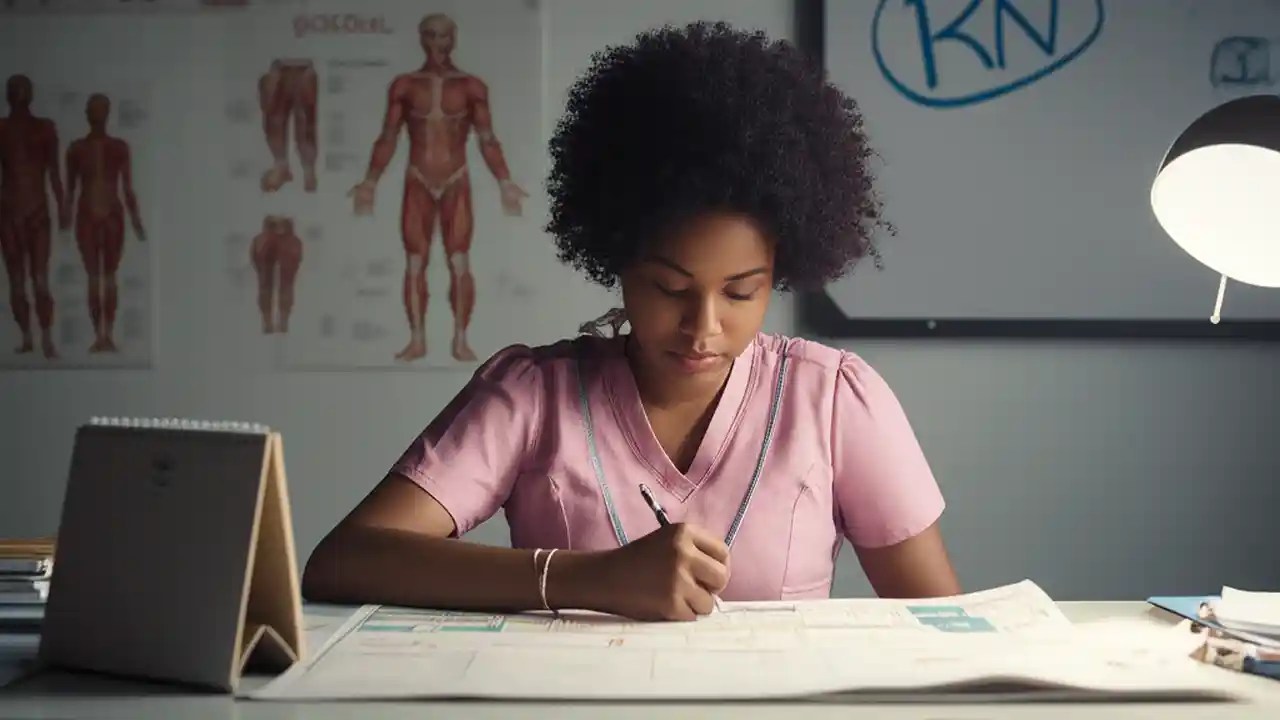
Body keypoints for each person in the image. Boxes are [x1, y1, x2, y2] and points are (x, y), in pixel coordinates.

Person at [305, 22, 961, 622]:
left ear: (780, 271)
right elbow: (343, 562)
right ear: (618, 259)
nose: (702, 326)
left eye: (740, 293)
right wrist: (589, 579)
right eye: (670, 288)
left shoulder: (836, 401)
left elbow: (943, 629)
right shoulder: (533, 396)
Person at [348, 13, 528, 363]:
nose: (437, 43)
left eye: (444, 36)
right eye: (430, 35)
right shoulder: (404, 85)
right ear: (421, 39)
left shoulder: (471, 87)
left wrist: (505, 182)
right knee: (415, 262)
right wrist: (370, 181)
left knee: (459, 261)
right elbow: (388, 136)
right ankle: (417, 340)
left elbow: (487, 139)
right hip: (417, 178)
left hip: (455, 179)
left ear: (454, 39)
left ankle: (460, 340)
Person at [64, 93, 145, 353]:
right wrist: (65, 215)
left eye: (101, 109)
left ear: (107, 113)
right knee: (93, 276)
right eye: (92, 108)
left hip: (112, 213)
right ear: (86, 113)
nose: (96, 113)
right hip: (87, 213)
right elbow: (70, 188)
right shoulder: (76, 148)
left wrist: (136, 220)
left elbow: (127, 188)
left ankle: (107, 334)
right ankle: (98, 335)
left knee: (108, 276)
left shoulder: (119, 147)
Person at [0, 74, 65, 359]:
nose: (19, 94)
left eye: (23, 89)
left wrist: (63, 205)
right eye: (14, 89)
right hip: (8, 209)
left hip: (36, 208)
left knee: (39, 278)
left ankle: (47, 338)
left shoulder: (45, 128)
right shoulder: (1, 128)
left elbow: (53, 170)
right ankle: (28, 337)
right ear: (7, 94)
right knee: (16, 279)